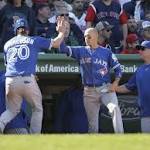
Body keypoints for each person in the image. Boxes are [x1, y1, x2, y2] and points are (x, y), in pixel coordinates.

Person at [0, 17, 66, 134]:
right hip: (27, 79)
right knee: (37, 109)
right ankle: (34, 138)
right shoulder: (33, 40)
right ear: (28, 30)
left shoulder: (7, 44)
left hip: (10, 81)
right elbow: (56, 43)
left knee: (12, 110)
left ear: (16, 31)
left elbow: (8, 64)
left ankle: (1, 124)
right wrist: (61, 32)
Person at [58, 27, 124, 133]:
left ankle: (120, 137)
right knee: (92, 124)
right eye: (85, 37)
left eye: (89, 36)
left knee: (114, 108)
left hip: (105, 88)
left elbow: (118, 69)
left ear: (96, 37)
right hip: (89, 91)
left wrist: (115, 83)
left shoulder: (106, 52)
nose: (86, 39)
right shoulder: (81, 50)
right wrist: (61, 34)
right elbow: (62, 48)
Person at [116, 40, 150, 133]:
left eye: (143, 49)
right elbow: (128, 87)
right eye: (139, 49)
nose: (140, 51)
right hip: (146, 114)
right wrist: (113, 88)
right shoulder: (140, 70)